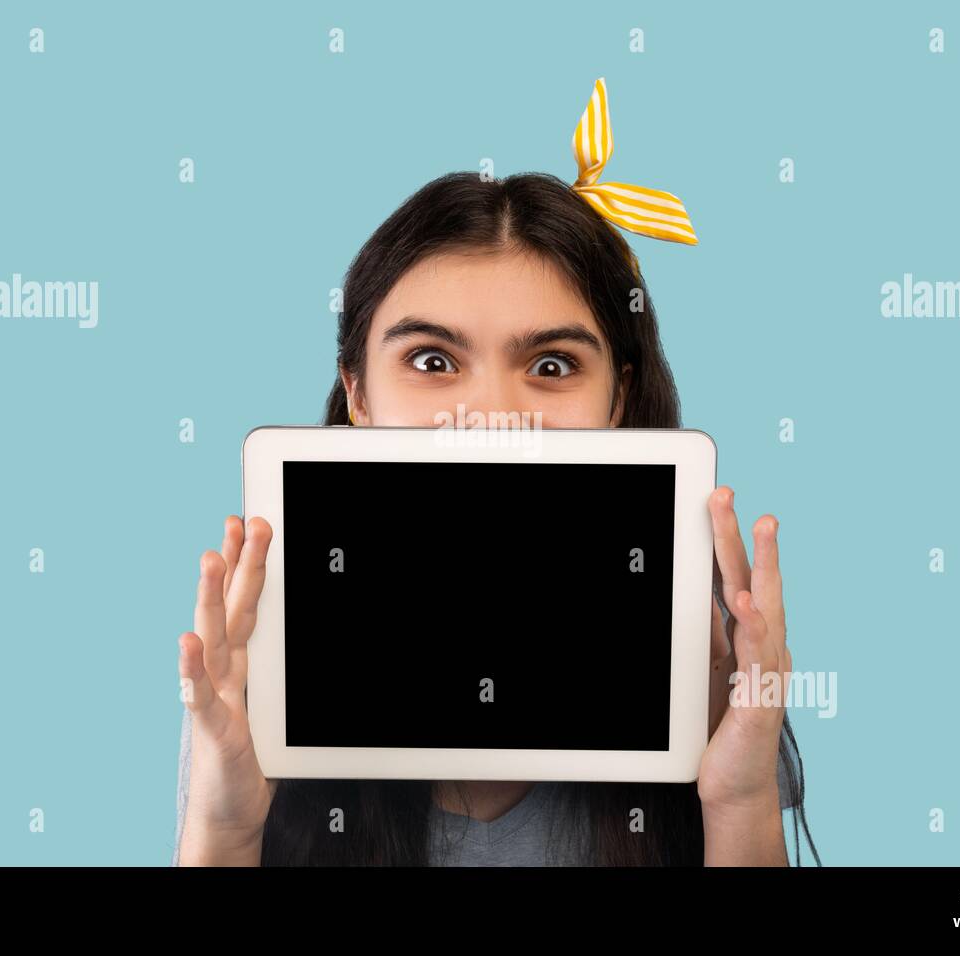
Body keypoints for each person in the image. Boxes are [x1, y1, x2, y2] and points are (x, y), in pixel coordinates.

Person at [173, 78, 819, 866]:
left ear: (619, 395)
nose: (489, 416)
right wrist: (226, 826)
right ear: (357, 394)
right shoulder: (261, 676)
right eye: (432, 360)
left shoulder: (708, 671)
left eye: (551, 364)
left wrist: (740, 802)